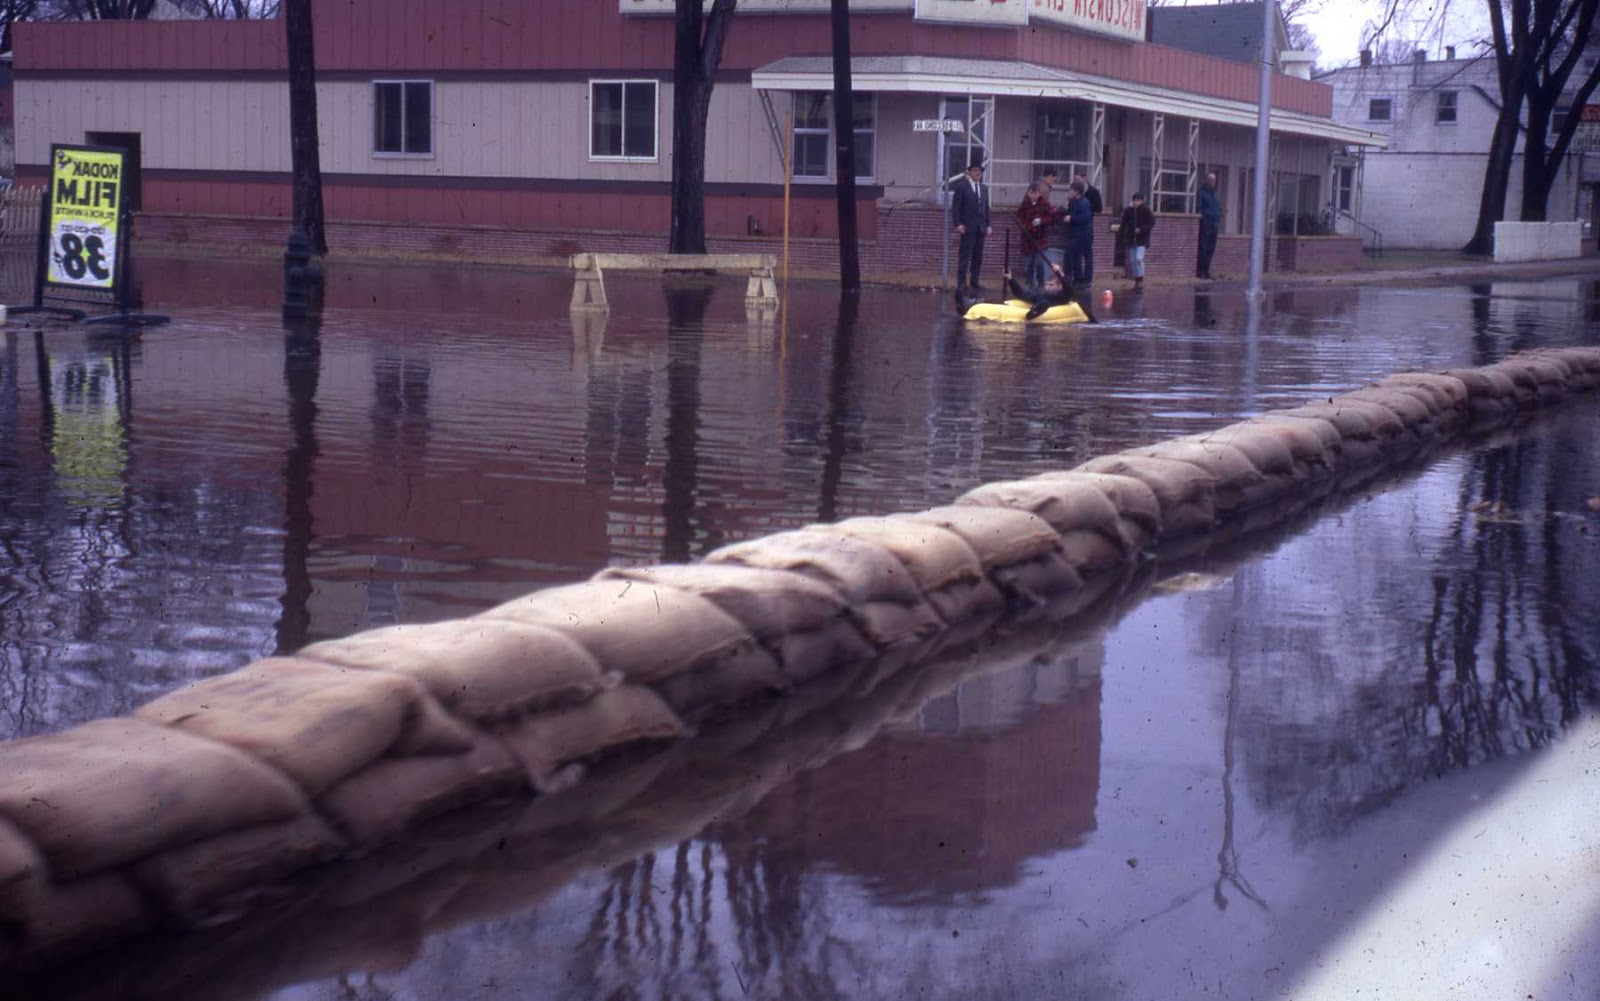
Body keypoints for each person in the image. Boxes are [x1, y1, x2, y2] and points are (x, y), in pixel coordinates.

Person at [1000, 260, 1098, 322]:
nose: (1047, 287)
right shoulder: (1041, 292)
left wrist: (1059, 273)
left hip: (1050, 303)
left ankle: (1036, 310)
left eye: (1051, 285)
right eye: (1046, 284)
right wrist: (1011, 279)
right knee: (1034, 295)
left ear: (1059, 287)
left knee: (1044, 302)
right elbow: (1021, 293)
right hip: (1039, 299)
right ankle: (1034, 310)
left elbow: (1070, 289)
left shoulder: (1063, 295)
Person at [950, 160, 992, 295]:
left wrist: (988, 225)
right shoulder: (962, 187)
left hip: (981, 227)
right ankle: (961, 284)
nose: (977, 173)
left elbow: (986, 208)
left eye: (979, 171)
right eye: (974, 171)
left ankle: (975, 282)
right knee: (965, 257)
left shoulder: (984, 188)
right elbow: (956, 207)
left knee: (977, 257)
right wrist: (957, 224)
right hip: (967, 227)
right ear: (969, 172)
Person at [1016, 183, 1054, 289]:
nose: (1033, 195)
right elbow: (1019, 219)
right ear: (1028, 193)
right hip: (1027, 239)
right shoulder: (1024, 205)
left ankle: (1041, 285)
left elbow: (1051, 218)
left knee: (1039, 263)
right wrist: (1027, 226)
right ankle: (1029, 285)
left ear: (1039, 193)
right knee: (1029, 264)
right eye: (1031, 193)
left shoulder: (1044, 204)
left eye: (1036, 193)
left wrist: (1041, 221)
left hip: (1040, 238)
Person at [1119, 192, 1155, 290]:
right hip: (1131, 238)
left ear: (1142, 201)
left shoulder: (1146, 211)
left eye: (1138, 200)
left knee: (1138, 258)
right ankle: (1136, 279)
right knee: (1132, 260)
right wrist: (1122, 235)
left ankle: (1140, 280)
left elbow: (1151, 223)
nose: (1136, 202)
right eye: (1135, 200)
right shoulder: (1129, 211)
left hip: (1141, 239)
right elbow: (1123, 223)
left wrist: (1142, 229)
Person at [1063, 182, 1094, 287]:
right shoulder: (1073, 202)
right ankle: (1078, 278)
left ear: (1076, 191)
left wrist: (1071, 219)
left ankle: (1084, 280)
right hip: (1076, 233)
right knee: (1076, 255)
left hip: (1083, 234)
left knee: (1074, 255)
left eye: (1071, 190)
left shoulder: (1083, 203)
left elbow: (1086, 218)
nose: (1069, 192)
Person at [1197, 171, 1221, 280]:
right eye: (1211, 180)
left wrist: (1218, 216)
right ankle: (1200, 271)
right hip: (1206, 223)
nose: (1212, 182)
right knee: (1203, 247)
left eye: (1214, 180)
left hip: (1214, 224)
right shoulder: (1202, 193)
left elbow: (1218, 208)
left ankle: (1207, 271)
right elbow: (1199, 208)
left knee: (1211, 248)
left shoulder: (1215, 194)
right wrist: (1205, 217)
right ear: (1207, 180)